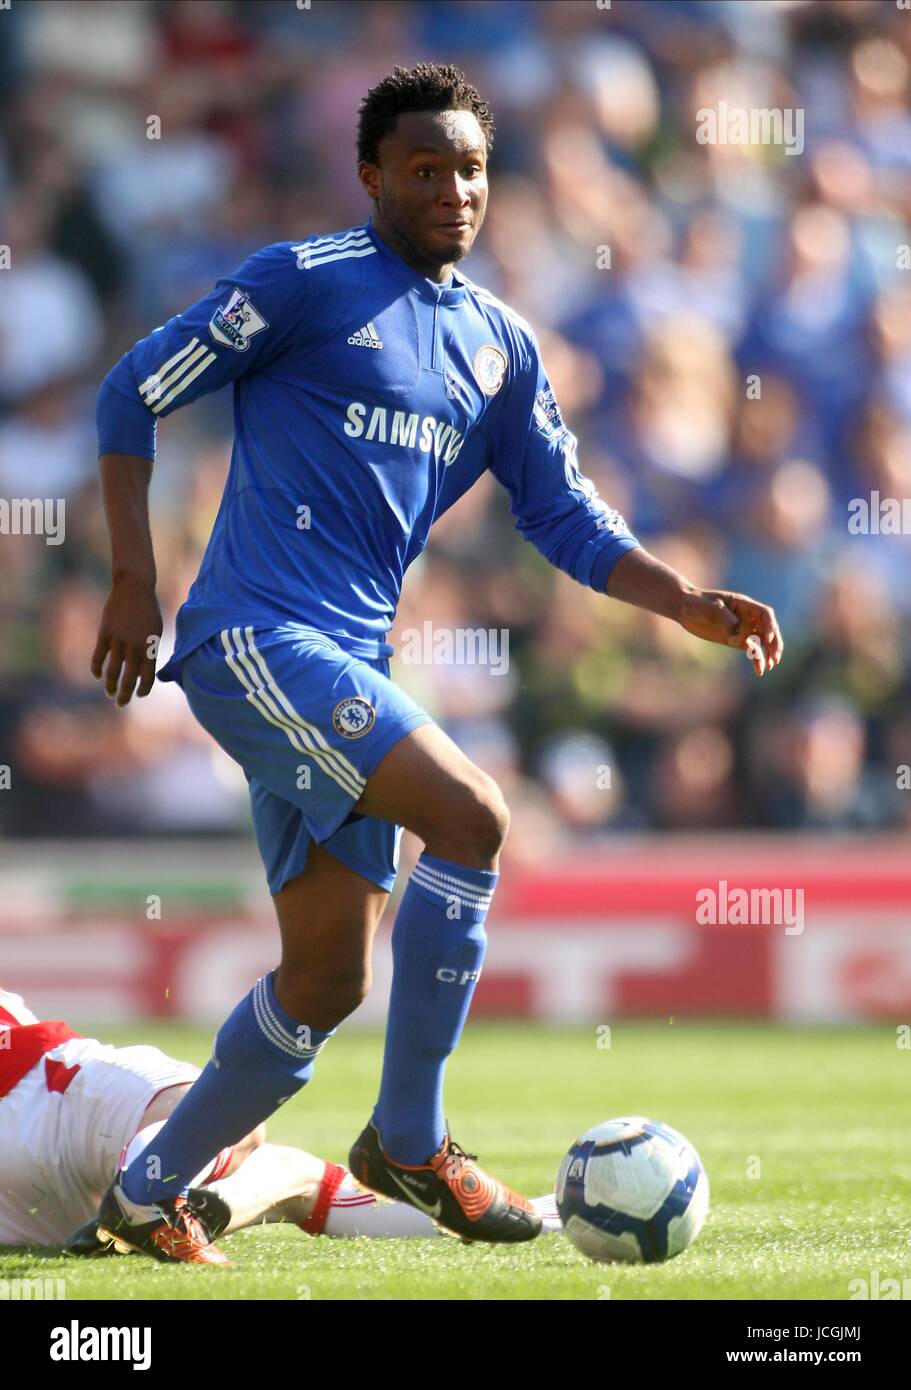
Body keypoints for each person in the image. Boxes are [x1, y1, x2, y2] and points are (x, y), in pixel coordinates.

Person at [91, 62, 782, 1261]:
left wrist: (676, 598)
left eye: (468, 168)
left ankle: (145, 1187)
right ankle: (410, 1141)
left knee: (323, 981)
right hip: (251, 635)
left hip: (346, 658)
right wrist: (133, 581)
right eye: (423, 167)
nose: (452, 188)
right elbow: (131, 390)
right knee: (471, 815)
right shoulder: (301, 282)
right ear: (371, 175)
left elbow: (560, 512)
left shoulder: (497, 345)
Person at [0, 990, 560, 1261]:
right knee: (234, 1125)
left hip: (30, 1163)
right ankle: (152, 1200)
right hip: (49, 1087)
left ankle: (160, 1208)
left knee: (293, 1173)